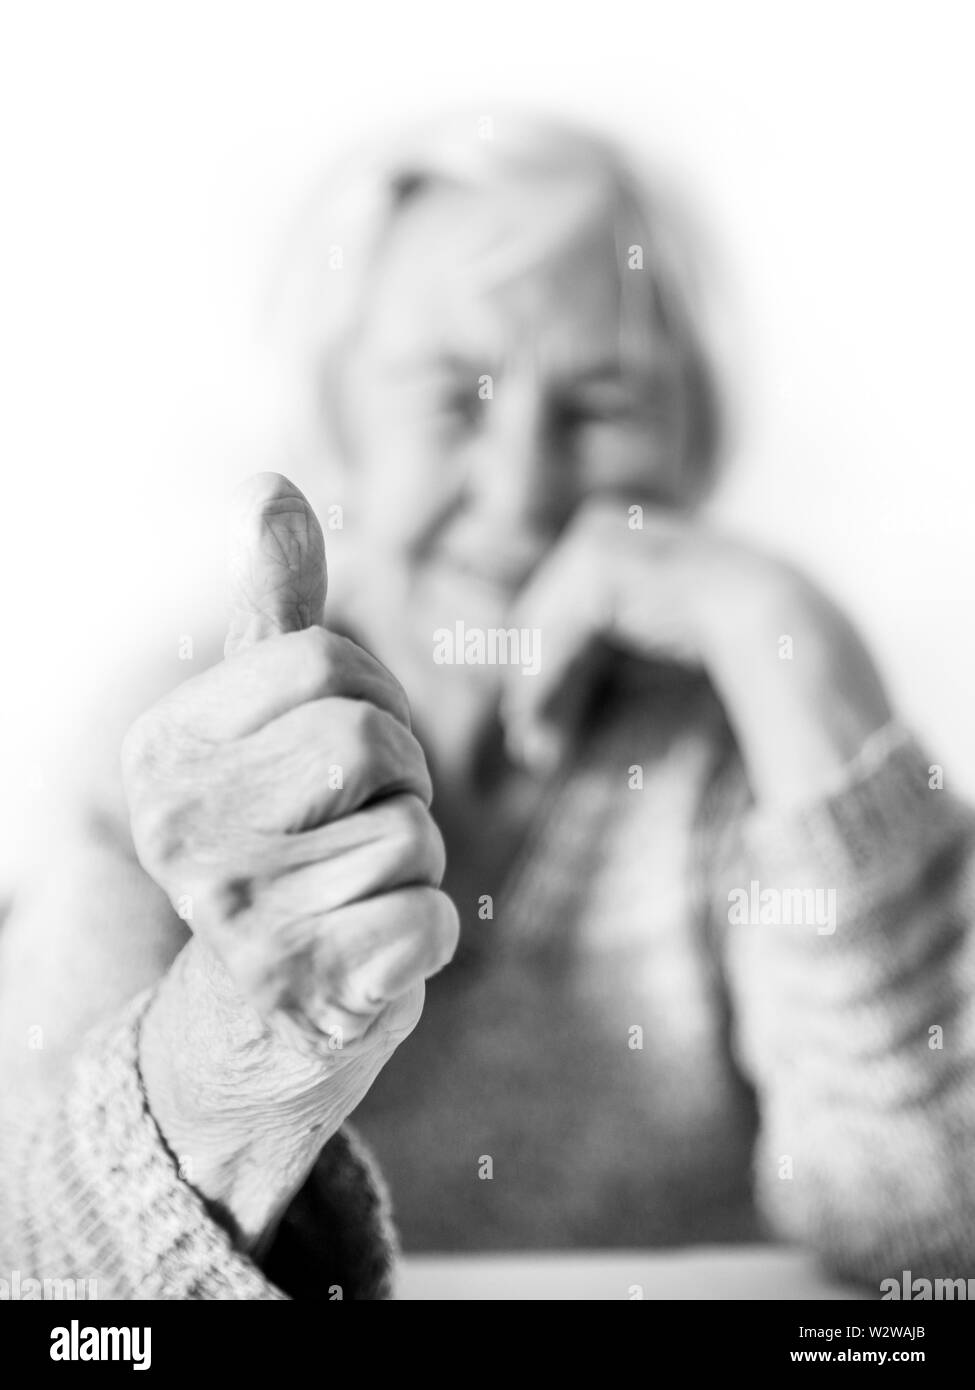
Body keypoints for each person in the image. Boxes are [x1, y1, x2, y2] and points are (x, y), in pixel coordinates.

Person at [1, 112, 973, 1299]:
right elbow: (45, 1282)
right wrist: (239, 1045)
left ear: (691, 437)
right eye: (449, 399)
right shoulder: (180, 747)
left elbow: (932, 1262)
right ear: (340, 420)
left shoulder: (738, 753)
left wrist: (803, 650)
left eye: (602, 403)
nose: (521, 490)